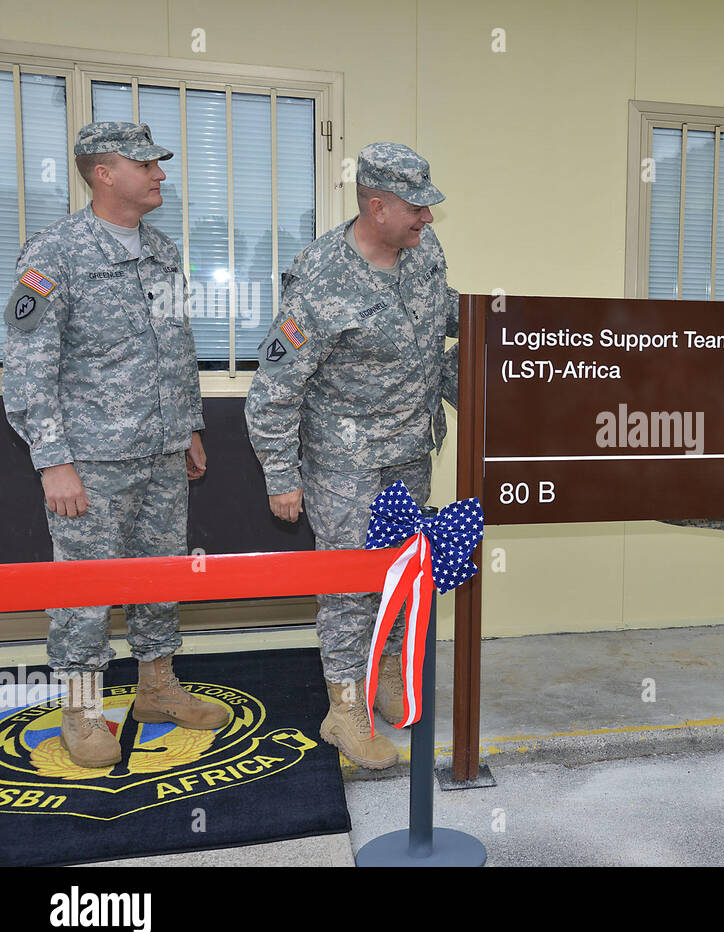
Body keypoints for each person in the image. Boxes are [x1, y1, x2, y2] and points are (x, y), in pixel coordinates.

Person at [2, 122, 227, 768]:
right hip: (90, 462)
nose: (160, 174)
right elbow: (26, 366)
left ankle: (157, 687)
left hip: (161, 451)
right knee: (85, 587)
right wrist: (54, 462)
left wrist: (188, 426)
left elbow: (176, 346)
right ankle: (80, 707)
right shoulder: (54, 253)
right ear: (104, 173)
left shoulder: (162, 251)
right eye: (147, 164)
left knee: (160, 575)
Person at [244, 142, 460, 769]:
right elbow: (274, 389)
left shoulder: (424, 253)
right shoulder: (320, 278)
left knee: (402, 570)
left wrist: (502, 325)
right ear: (377, 204)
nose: (426, 218)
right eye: (416, 207)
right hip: (345, 460)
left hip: (410, 446)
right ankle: (343, 707)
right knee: (349, 584)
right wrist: (282, 476)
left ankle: (385, 672)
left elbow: (442, 314)